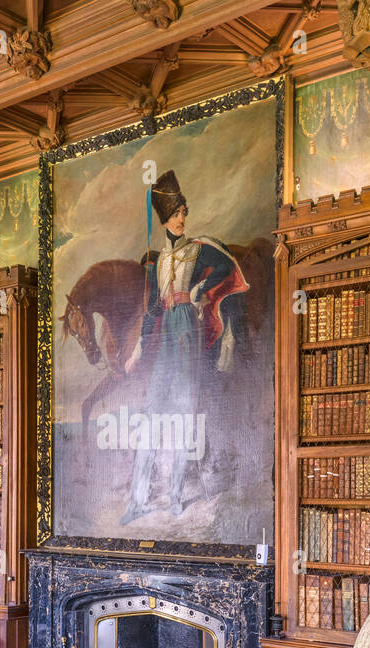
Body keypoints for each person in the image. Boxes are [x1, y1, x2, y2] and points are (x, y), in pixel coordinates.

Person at [120, 169, 248, 524]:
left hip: (187, 333)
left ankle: (175, 496)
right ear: (165, 218)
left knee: (182, 417)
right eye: (176, 214)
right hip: (163, 342)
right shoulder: (156, 261)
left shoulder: (199, 250)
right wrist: (137, 350)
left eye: (183, 212)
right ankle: (136, 500)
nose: (181, 218)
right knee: (150, 421)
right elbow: (151, 311)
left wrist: (199, 293)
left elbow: (226, 267)